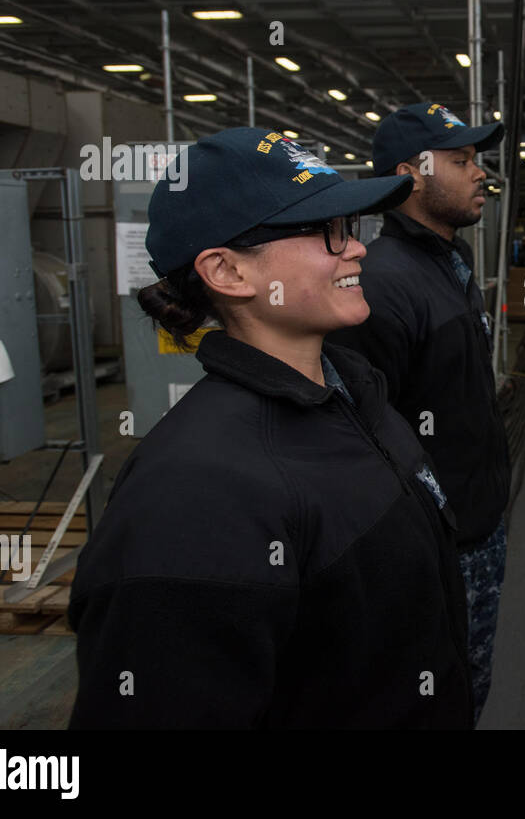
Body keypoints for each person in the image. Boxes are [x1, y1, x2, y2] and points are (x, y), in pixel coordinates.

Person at [69, 127, 472, 728]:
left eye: (352, 227)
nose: (356, 249)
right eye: (327, 231)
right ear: (228, 272)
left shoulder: (354, 396)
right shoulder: (195, 491)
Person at [329, 103, 510, 724]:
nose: (480, 173)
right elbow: (363, 439)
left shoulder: (445, 263)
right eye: (461, 162)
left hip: (473, 528)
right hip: (435, 550)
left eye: (476, 160)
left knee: (467, 685)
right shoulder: (383, 283)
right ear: (409, 175)